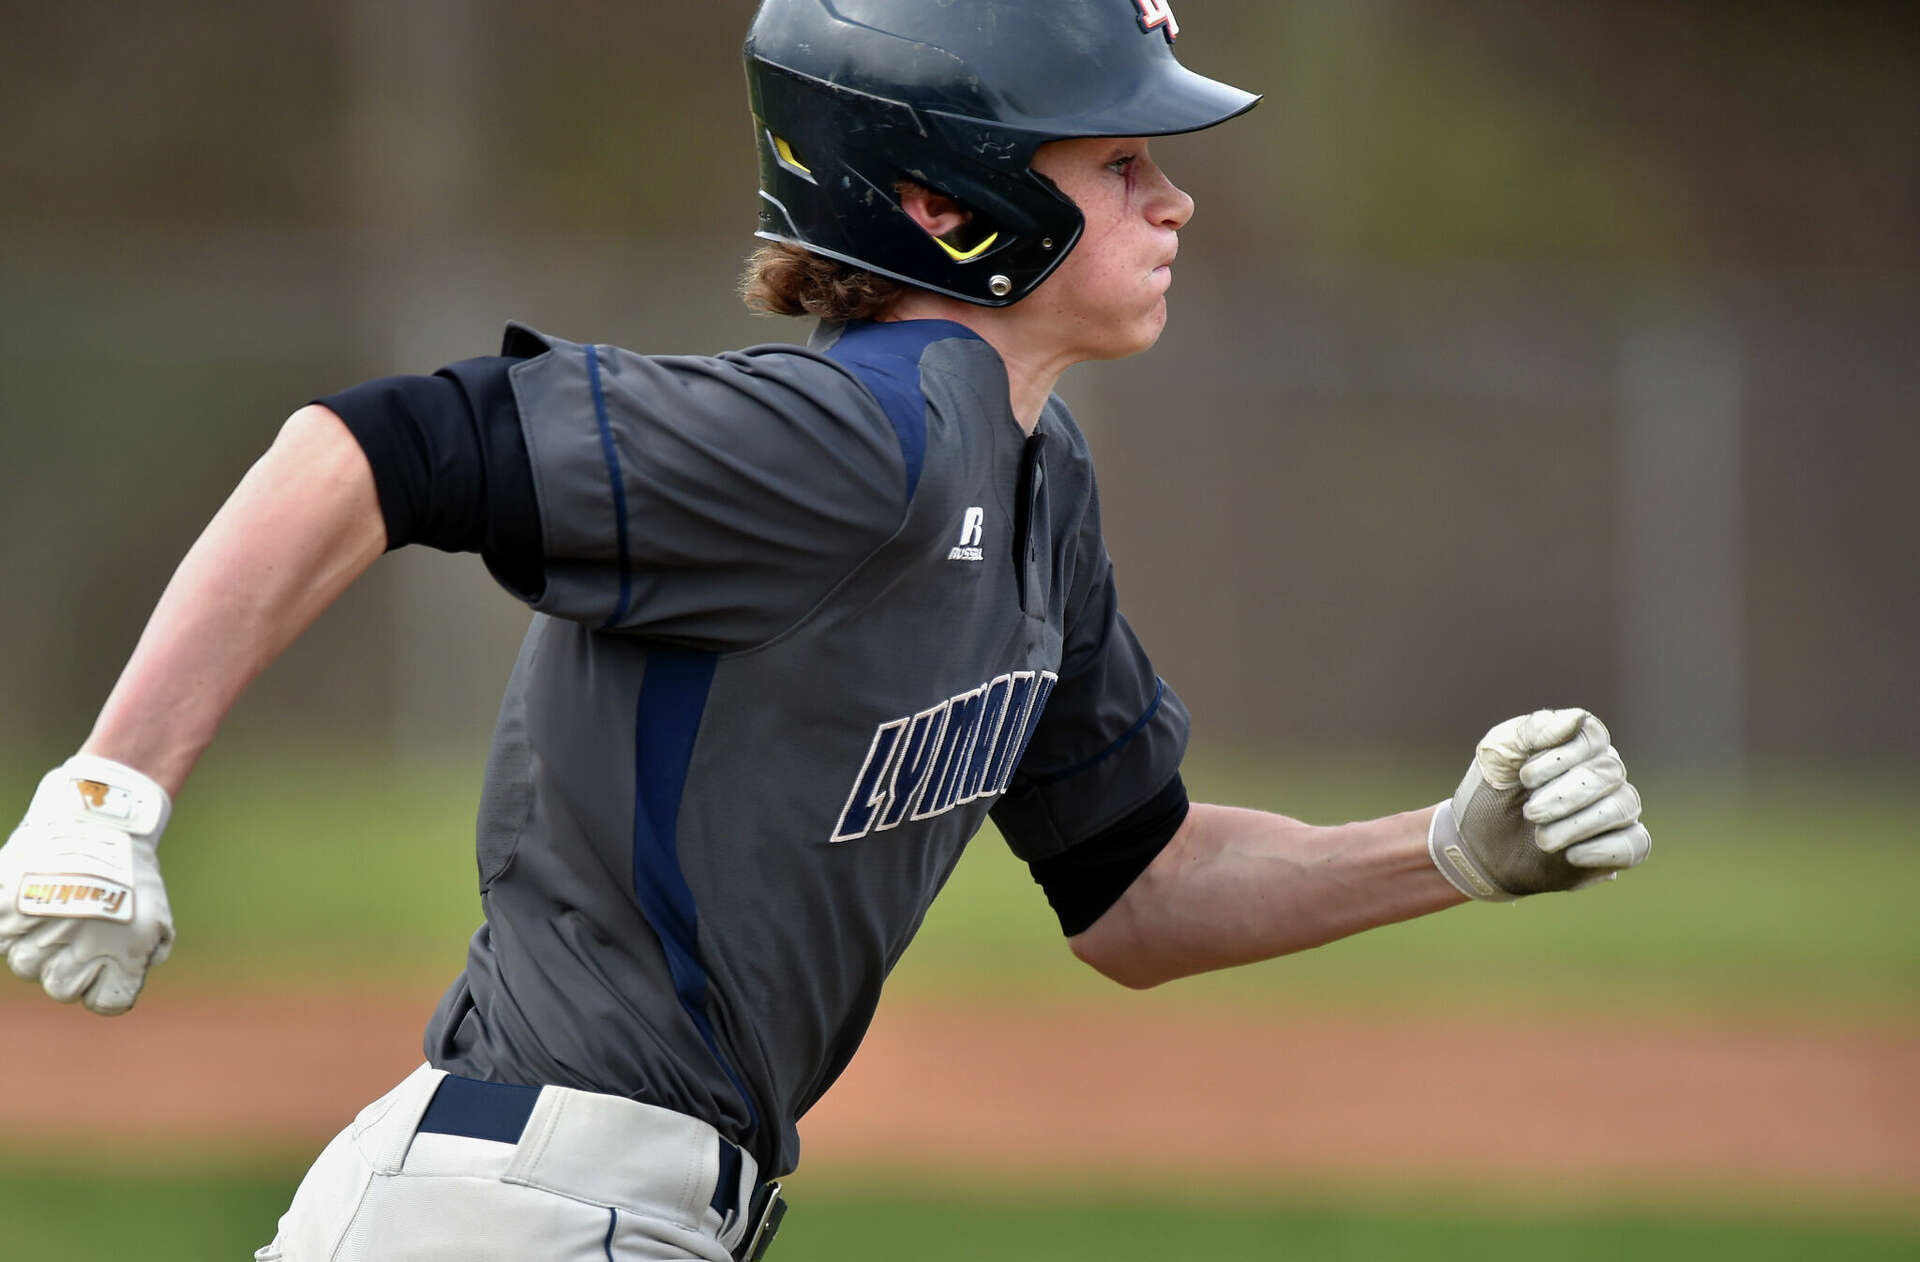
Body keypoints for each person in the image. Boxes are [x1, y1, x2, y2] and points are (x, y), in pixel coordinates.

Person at [0, 3, 1651, 1260]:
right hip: (512, 1214)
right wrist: (112, 788)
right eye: (1119, 159)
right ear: (948, 204)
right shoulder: (845, 436)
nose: (1174, 201)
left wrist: (1449, 848)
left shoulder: (1030, 475)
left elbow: (1133, 887)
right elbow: (370, 448)